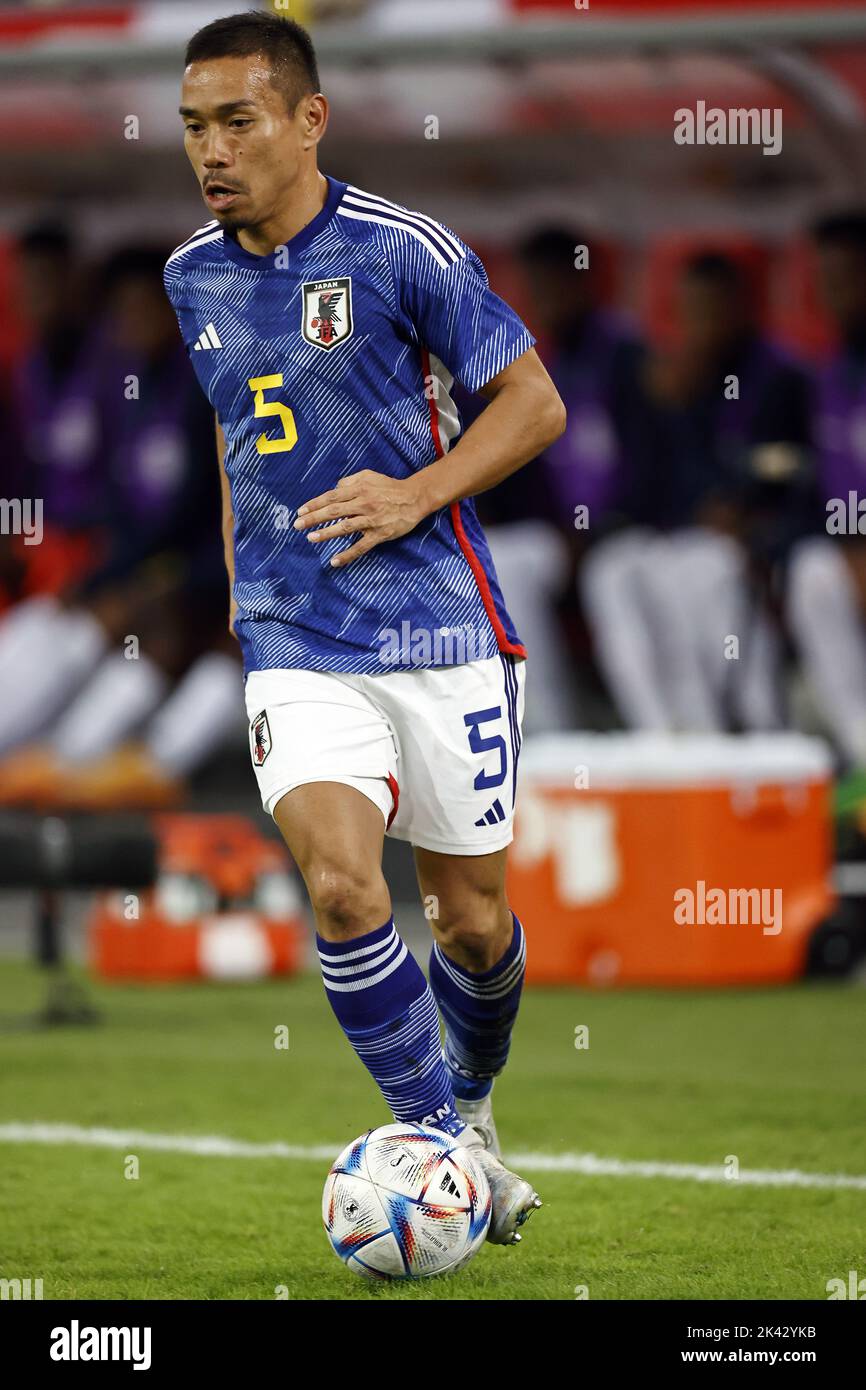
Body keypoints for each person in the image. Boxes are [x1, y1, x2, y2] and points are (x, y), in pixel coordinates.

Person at [164, 11, 566, 1247]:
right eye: (193, 127)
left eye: (236, 121)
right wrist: (244, 586)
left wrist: (413, 493)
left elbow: (533, 405)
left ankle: (474, 1107)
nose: (211, 150)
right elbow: (243, 441)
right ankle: (440, 1145)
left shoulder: (403, 252)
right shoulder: (193, 276)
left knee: (471, 923)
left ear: (306, 119)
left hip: (441, 626)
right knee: (343, 890)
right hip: (296, 636)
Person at [582, 250, 810, 733]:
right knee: (617, 571)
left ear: (739, 308)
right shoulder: (670, 380)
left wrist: (745, 505)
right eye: (690, 310)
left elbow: (789, 462)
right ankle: (670, 737)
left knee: (702, 572)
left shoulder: (777, 375)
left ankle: (758, 728)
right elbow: (643, 487)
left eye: (712, 308)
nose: (700, 322)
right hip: (674, 536)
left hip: (749, 539)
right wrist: (667, 411)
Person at [788, 212, 866, 782]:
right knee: (812, 570)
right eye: (825, 277)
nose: (833, 293)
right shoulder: (831, 372)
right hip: (848, 547)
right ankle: (861, 754)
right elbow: (822, 484)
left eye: (846, 276)